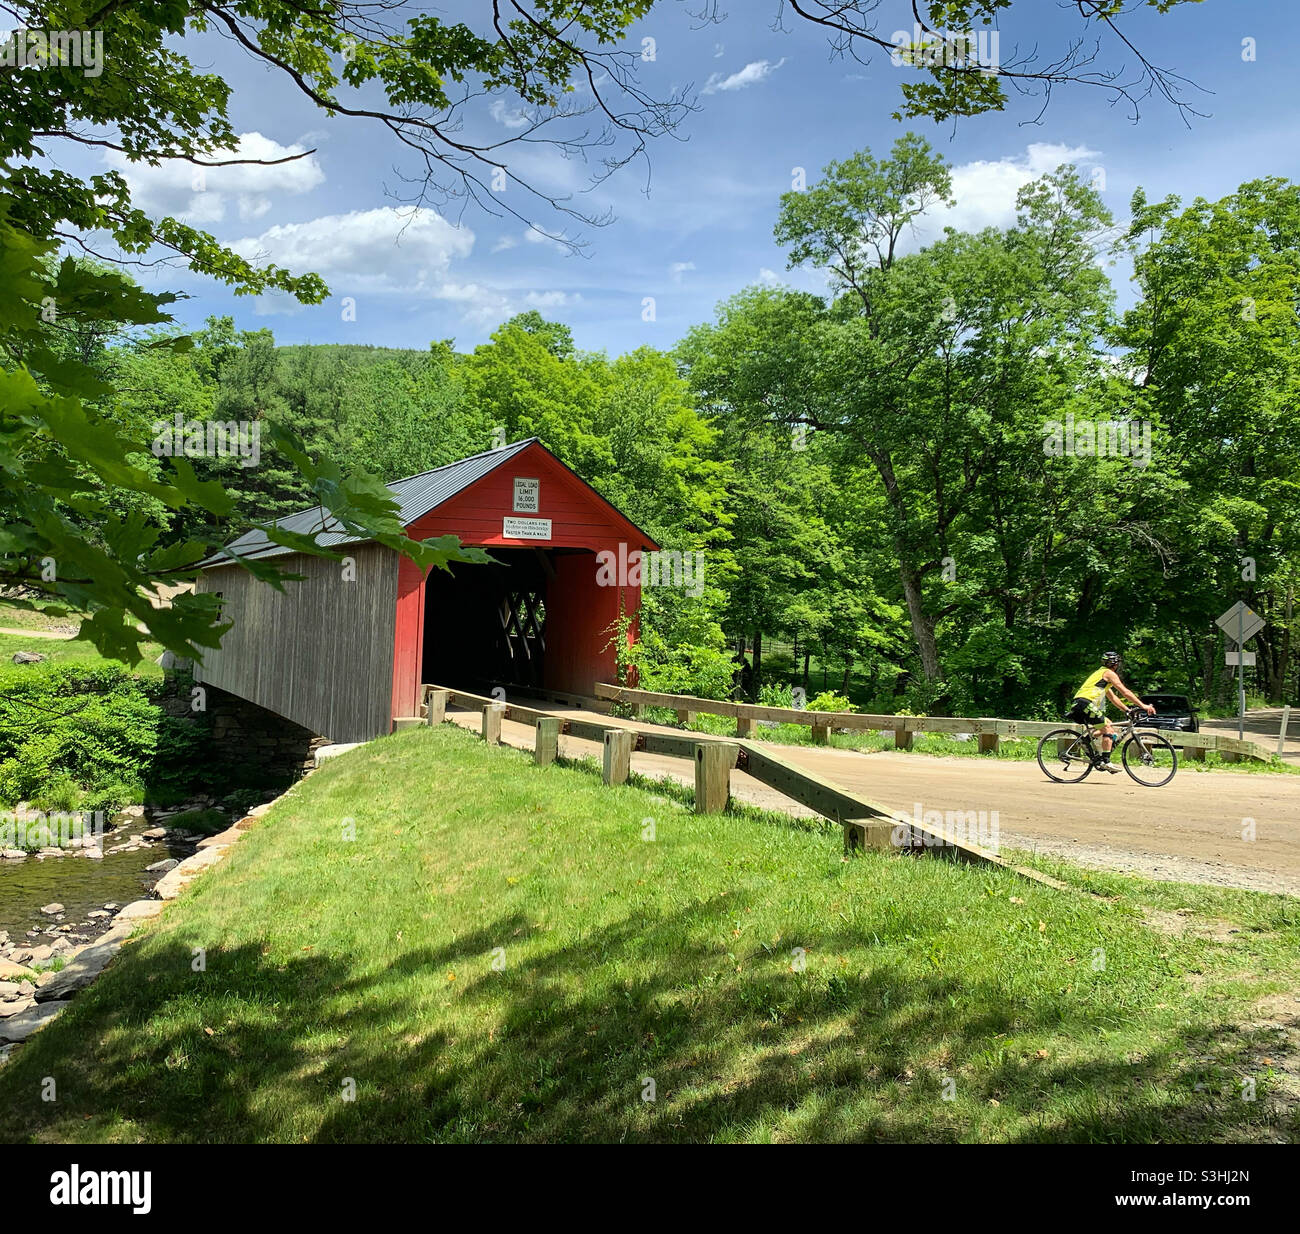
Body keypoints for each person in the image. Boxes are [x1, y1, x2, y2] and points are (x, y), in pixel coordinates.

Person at [1067, 652, 1156, 773]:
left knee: (1109, 724)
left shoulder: (1100, 675)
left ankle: (1086, 741)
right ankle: (1106, 762)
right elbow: (1125, 692)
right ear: (1115, 664)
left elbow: (1114, 698)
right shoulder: (1109, 673)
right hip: (1085, 704)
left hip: (1080, 704)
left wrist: (1127, 710)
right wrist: (1143, 706)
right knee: (1108, 730)